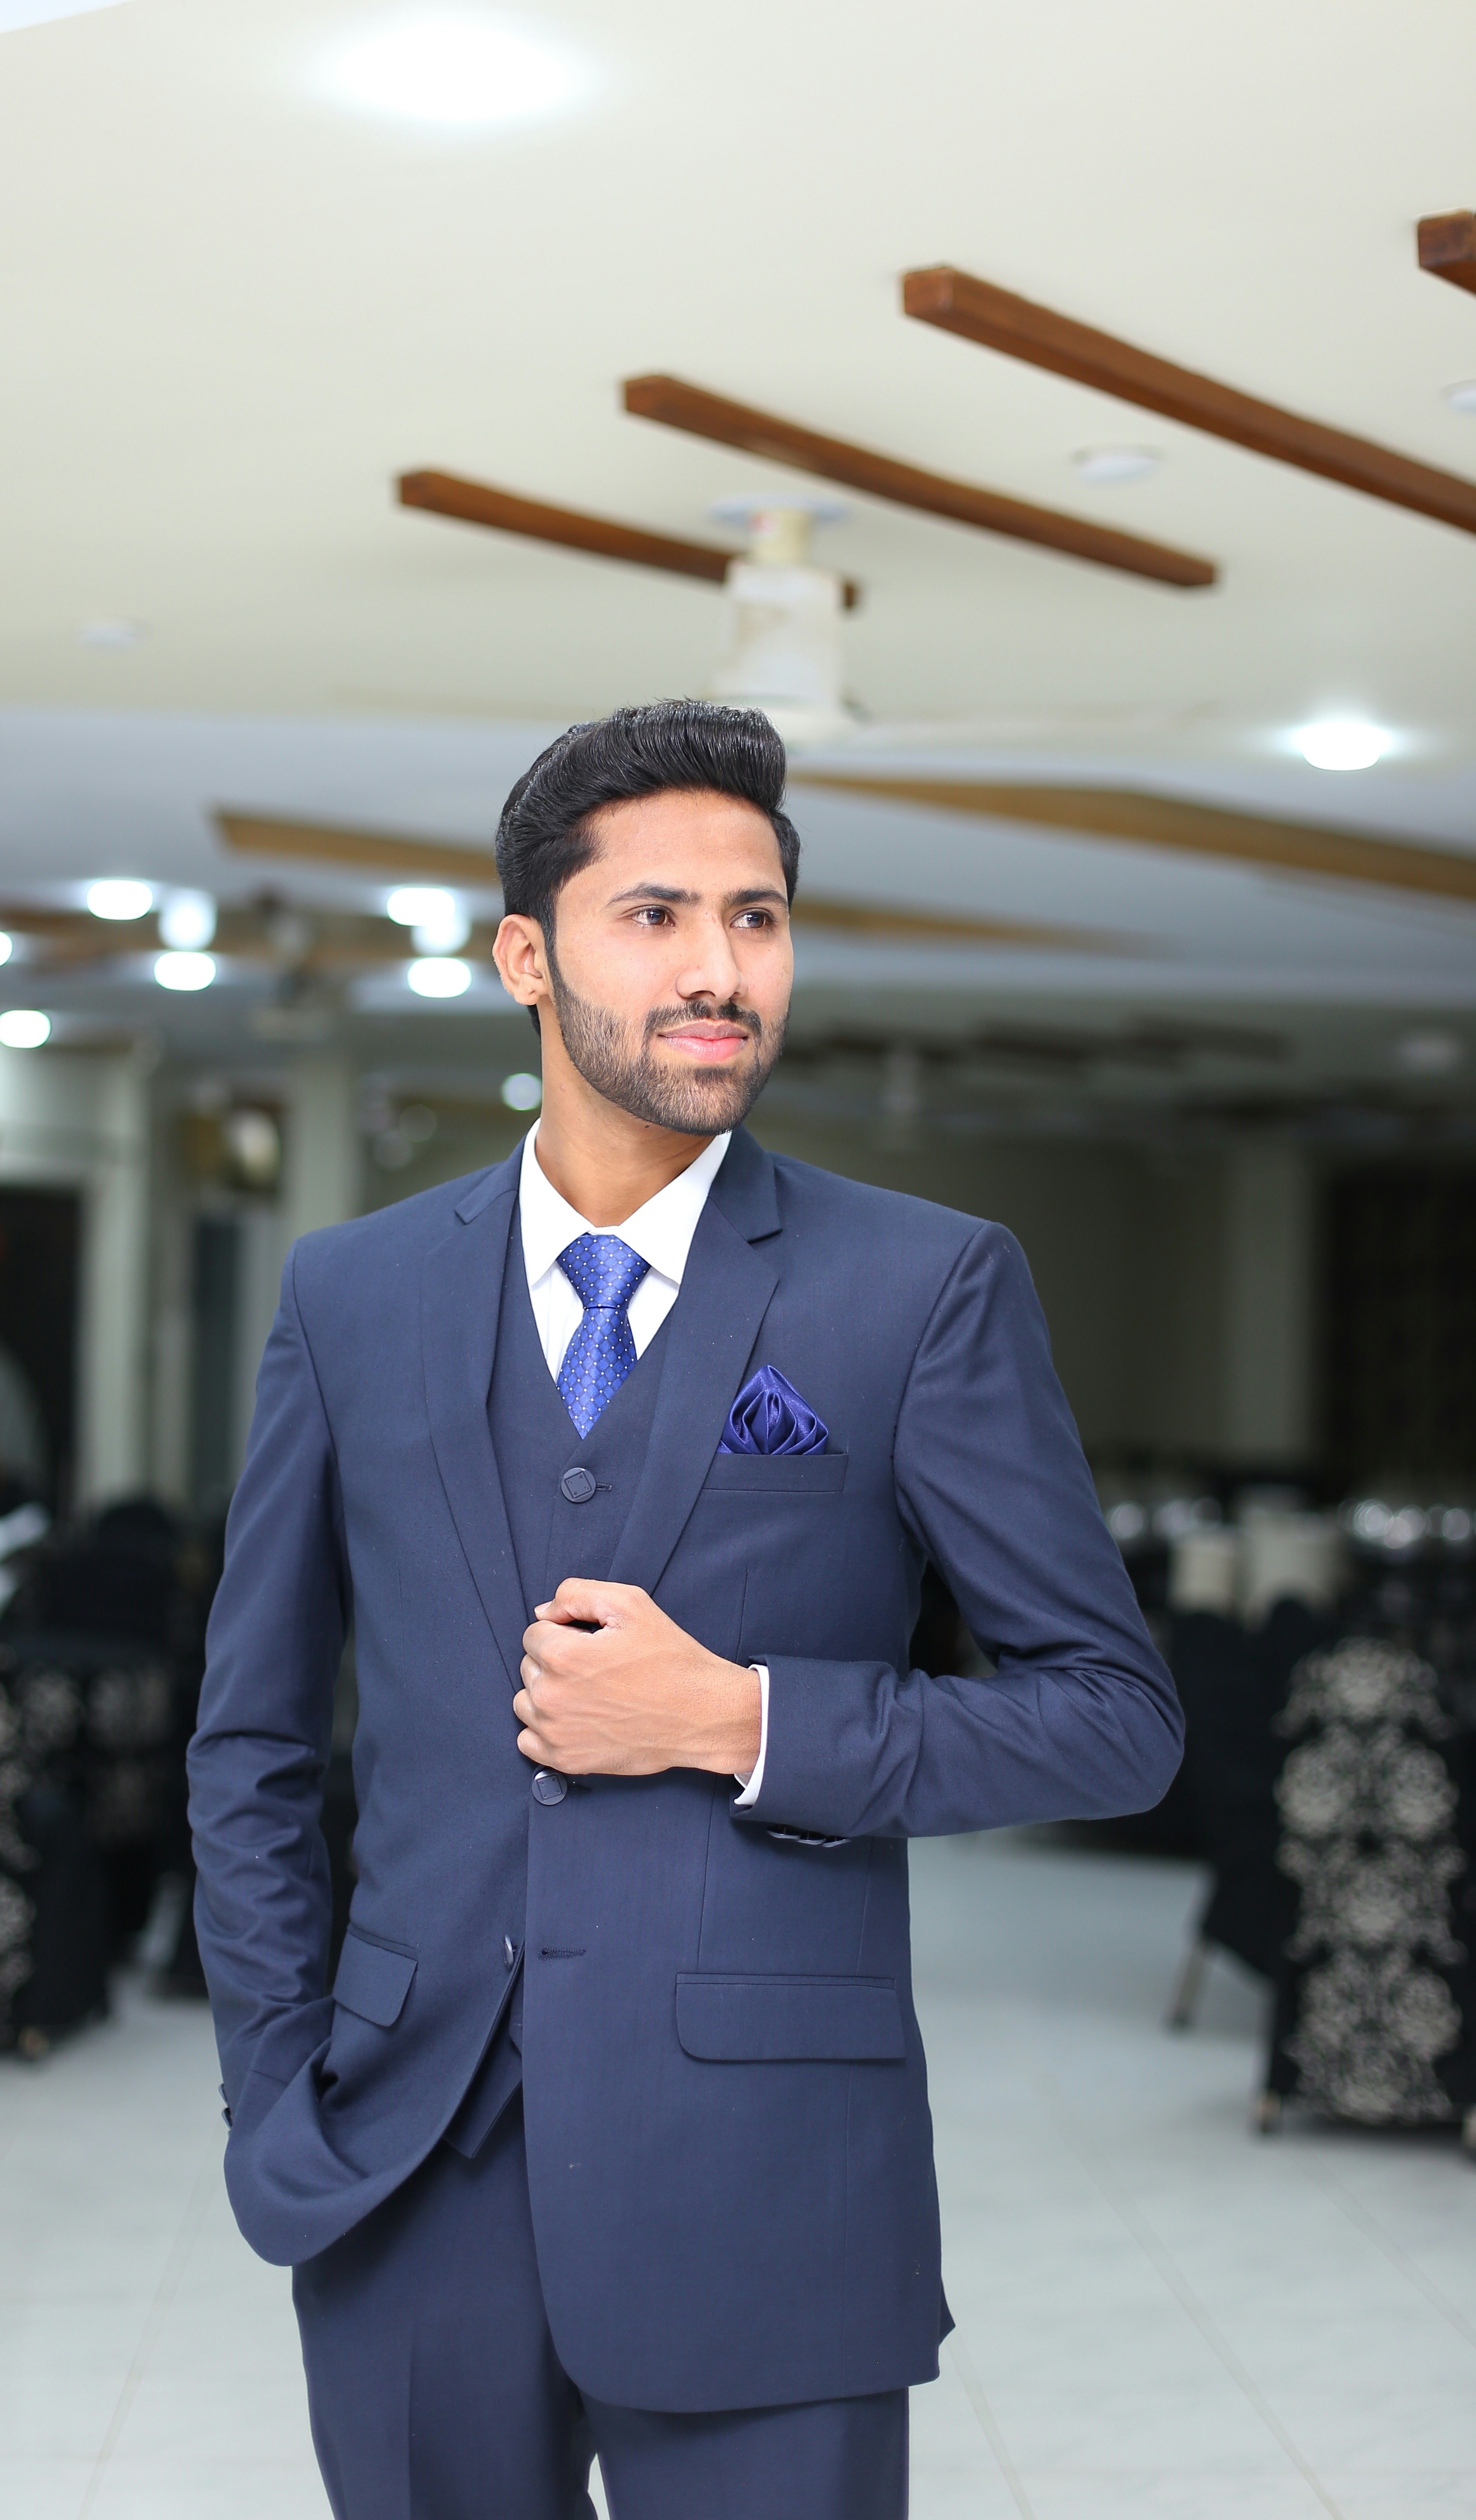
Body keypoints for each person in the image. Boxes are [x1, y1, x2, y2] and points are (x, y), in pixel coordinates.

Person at [187, 701, 1184, 2520]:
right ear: (525, 954)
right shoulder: (351, 1296)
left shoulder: (924, 1287)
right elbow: (254, 1737)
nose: (720, 968)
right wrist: (275, 2101)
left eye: (758, 918)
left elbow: (1112, 1717)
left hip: (773, 2188)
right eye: (657, 916)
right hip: (408, 2176)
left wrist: (743, 1720)